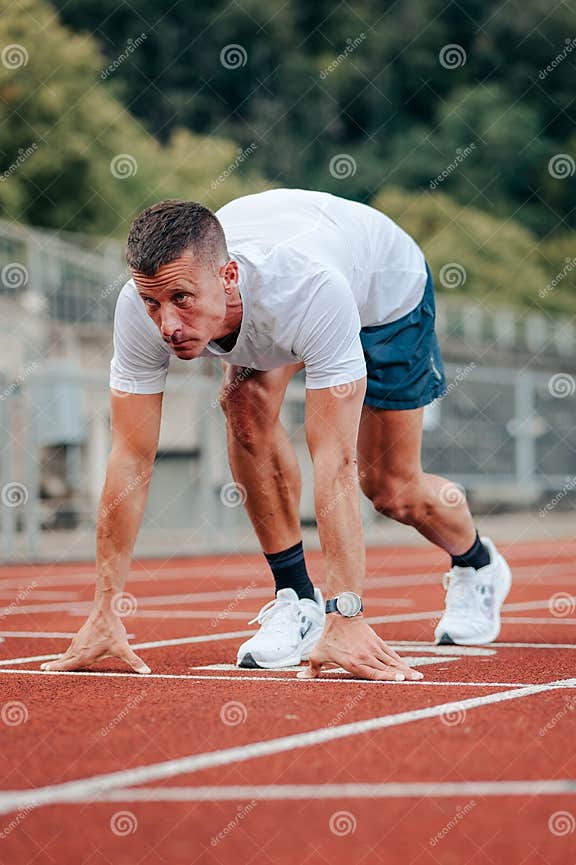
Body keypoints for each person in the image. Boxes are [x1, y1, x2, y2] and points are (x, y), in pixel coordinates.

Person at [41, 189, 511, 682]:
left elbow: (335, 459)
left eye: (181, 299)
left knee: (391, 489)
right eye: (153, 303)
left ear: (227, 278)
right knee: (243, 405)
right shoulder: (143, 309)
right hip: (288, 276)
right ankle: (295, 597)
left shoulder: (306, 292)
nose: (168, 325)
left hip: (386, 294)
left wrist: (347, 614)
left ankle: (477, 565)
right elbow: (130, 456)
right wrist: (104, 607)